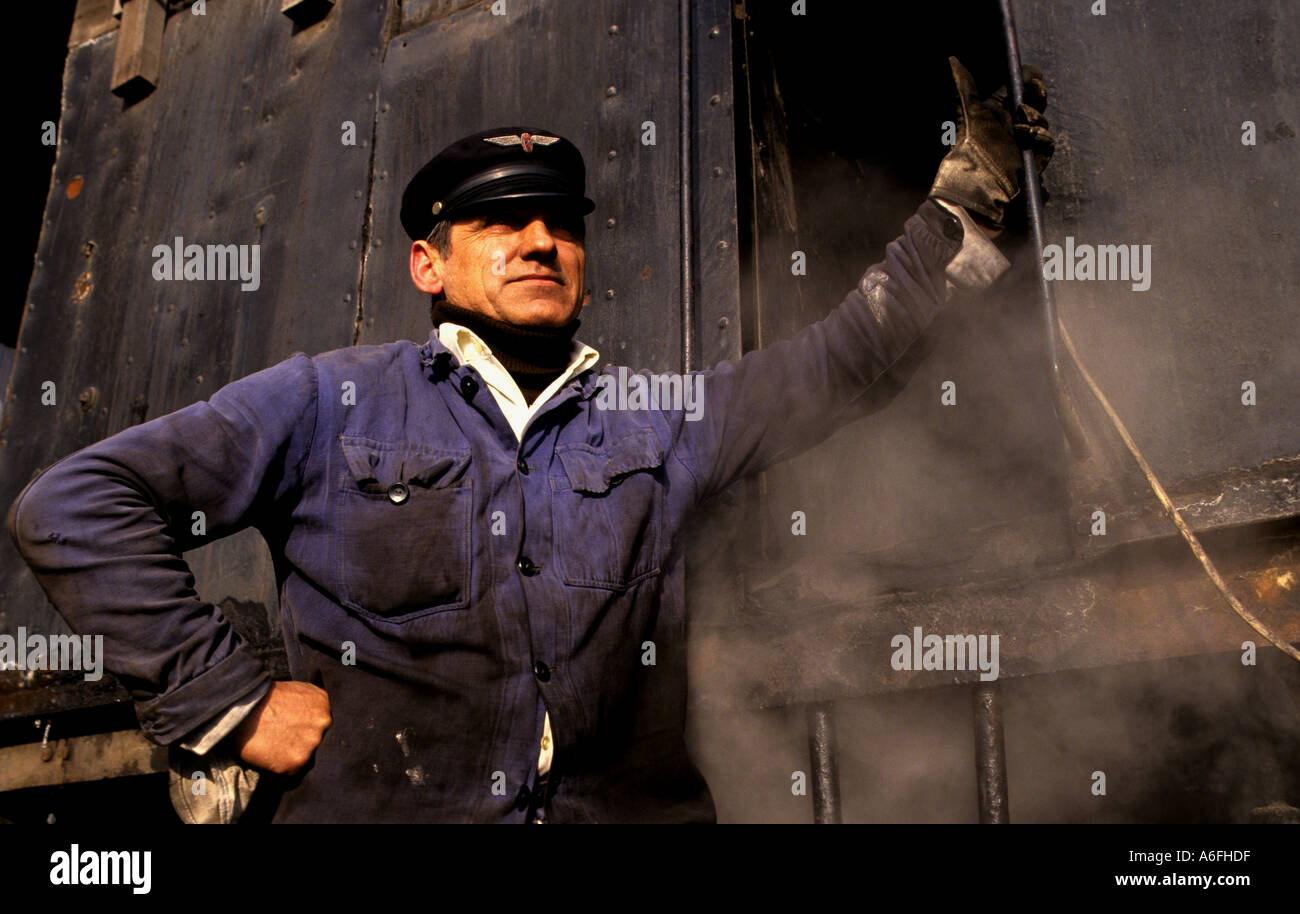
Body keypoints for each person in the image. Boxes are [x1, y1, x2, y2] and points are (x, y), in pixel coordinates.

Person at [7, 59, 1052, 822]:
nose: (539, 239)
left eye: (558, 220)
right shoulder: (328, 403)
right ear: (427, 265)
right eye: (499, 222)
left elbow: (841, 363)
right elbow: (73, 509)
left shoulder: (663, 418)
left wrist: (962, 214)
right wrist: (226, 701)